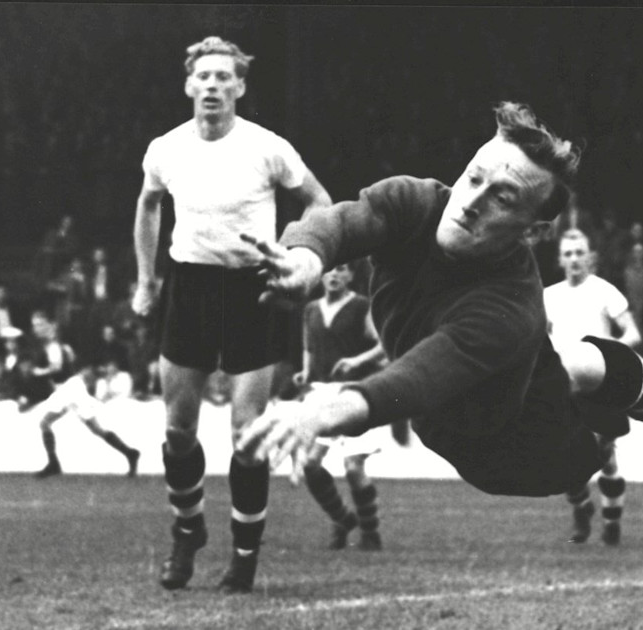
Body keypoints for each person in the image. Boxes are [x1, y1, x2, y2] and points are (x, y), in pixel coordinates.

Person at [236, 102, 643, 522]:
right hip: (462, 439)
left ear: (532, 232)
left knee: (581, 375)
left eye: (502, 198)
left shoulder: (508, 306)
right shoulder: (415, 201)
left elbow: (422, 376)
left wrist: (326, 411)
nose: (470, 202)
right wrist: (305, 259)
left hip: (526, 448)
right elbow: (343, 222)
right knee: (570, 366)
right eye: (473, 177)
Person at [132, 36, 333, 593]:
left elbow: (320, 202)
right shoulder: (166, 149)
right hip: (189, 288)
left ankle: (244, 556)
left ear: (240, 87)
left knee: (246, 435)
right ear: (189, 85)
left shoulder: (268, 148)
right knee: (178, 431)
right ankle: (187, 531)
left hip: (252, 290)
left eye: (224, 77)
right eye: (204, 76)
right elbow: (148, 205)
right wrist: (146, 280)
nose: (213, 86)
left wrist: (297, 256)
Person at [544, 229, 641, 546]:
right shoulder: (549, 296)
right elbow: (539, 338)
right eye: (568, 253)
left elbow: (633, 333)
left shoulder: (604, 291)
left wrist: (608, 353)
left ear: (590, 257)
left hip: (601, 386)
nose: (574, 259)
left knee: (605, 456)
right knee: (564, 457)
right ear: (560, 260)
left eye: (579, 252)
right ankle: (582, 508)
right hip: (564, 386)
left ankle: (611, 525)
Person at [291, 262, 388, 551]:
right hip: (322, 393)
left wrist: (357, 361)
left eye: (342, 269)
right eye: (330, 270)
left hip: (356, 393)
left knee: (353, 467)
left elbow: (383, 344)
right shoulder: (311, 309)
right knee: (310, 464)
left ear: (351, 276)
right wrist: (305, 371)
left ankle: (370, 533)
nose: (334, 275)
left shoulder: (361, 307)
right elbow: (308, 347)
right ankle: (342, 519)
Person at [27, 310, 140, 479]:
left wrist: (38, 371)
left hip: (69, 387)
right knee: (95, 428)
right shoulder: (55, 343)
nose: (36, 328)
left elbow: (57, 367)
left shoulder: (53, 344)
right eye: (35, 325)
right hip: (72, 386)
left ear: (49, 325)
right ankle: (130, 453)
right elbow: (69, 360)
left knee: (45, 423)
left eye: (39, 324)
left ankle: (53, 464)